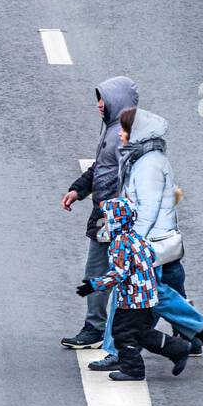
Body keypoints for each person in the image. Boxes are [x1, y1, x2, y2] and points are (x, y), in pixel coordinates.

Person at [88, 107, 203, 370]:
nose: (121, 136)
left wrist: (129, 241)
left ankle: (118, 351)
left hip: (151, 239)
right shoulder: (144, 157)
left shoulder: (148, 163)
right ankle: (202, 329)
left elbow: (147, 209)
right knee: (153, 292)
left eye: (125, 131)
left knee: (133, 291)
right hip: (154, 239)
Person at [61, 77, 138, 350]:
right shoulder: (113, 129)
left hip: (115, 218)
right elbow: (100, 169)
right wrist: (78, 190)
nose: (99, 104)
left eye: (103, 99)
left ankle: (190, 328)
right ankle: (191, 329)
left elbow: (123, 178)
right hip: (108, 215)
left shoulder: (123, 135)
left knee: (118, 275)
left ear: (117, 101)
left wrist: (111, 212)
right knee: (133, 276)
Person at [78, 198, 190, 381]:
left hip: (131, 299)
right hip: (147, 296)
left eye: (107, 219)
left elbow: (119, 273)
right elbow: (151, 257)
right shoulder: (137, 239)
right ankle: (177, 349)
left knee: (122, 333)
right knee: (141, 333)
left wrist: (95, 285)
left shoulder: (119, 244)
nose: (105, 223)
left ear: (115, 221)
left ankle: (133, 369)